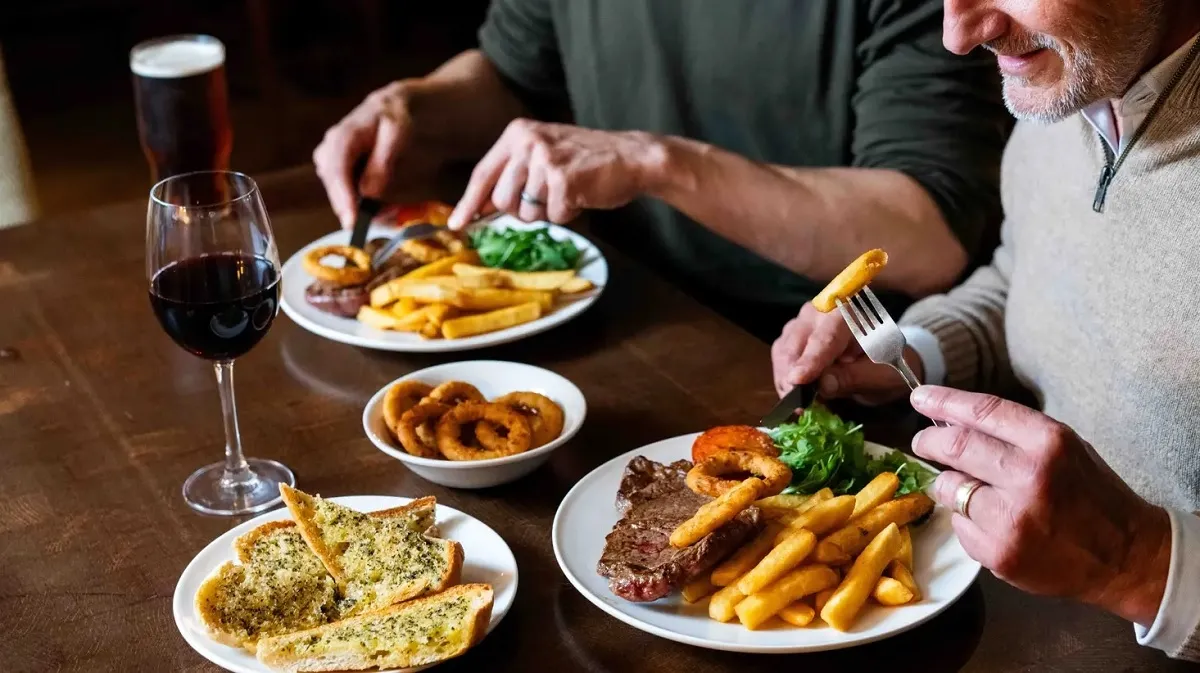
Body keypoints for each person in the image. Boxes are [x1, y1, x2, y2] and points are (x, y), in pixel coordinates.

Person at [771, 0, 1200, 660]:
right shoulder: (1070, 76)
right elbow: (1022, 273)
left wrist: (1139, 562)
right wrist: (910, 350)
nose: (958, 33)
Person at [313, 0, 1011, 340]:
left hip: (820, 356)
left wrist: (656, 161)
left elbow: (928, 236)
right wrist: (413, 109)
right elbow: (513, 73)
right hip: (615, 312)